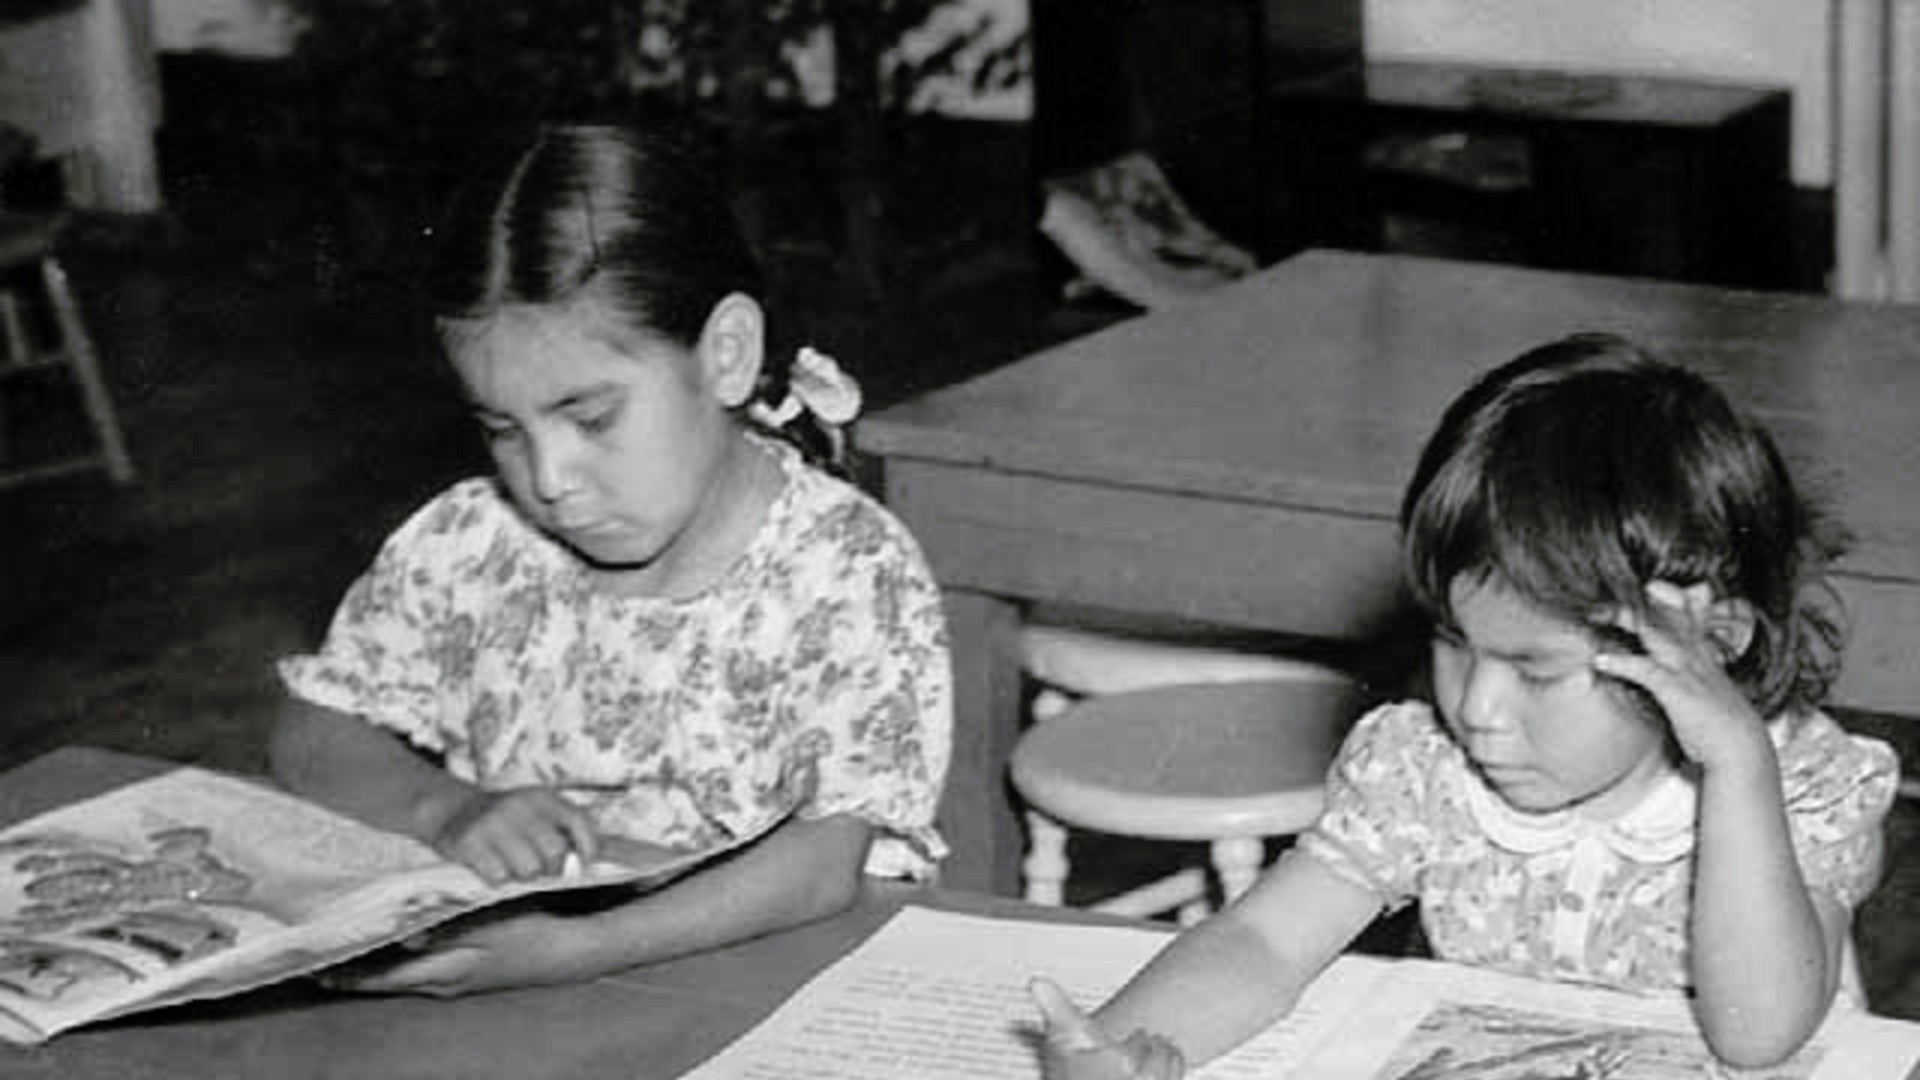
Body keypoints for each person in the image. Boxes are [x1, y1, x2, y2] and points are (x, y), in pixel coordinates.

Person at [1031, 333, 1899, 1075]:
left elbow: (1758, 1037)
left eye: (1535, 669)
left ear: (1708, 646)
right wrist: (1115, 1043)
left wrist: (1737, 764)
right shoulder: (1422, 771)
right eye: (1452, 641)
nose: (1477, 706)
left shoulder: (1797, 786)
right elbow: (1264, 943)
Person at [269, 122, 952, 996]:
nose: (549, 480)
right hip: (528, 992)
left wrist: (577, 953)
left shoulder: (844, 569)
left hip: (775, 991)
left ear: (727, 355)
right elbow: (313, 728)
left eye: (591, 419)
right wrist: (450, 810)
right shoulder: (471, 545)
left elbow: (820, 865)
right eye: (502, 430)